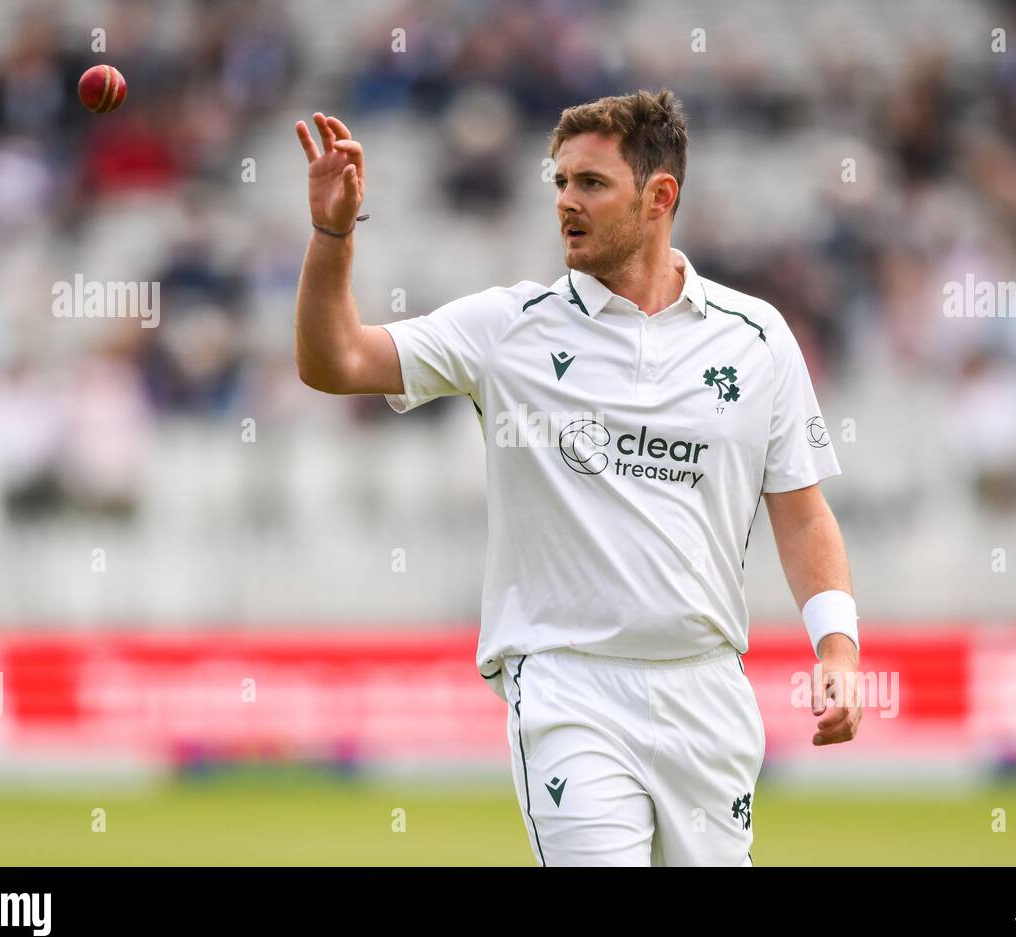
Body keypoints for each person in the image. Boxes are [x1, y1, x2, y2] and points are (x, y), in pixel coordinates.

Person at [294, 88, 862, 866]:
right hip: (569, 690)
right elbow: (335, 361)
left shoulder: (757, 337)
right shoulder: (507, 328)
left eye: (591, 184)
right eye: (559, 182)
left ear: (659, 197)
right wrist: (333, 233)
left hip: (708, 694)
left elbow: (801, 514)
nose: (566, 201)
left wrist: (837, 650)